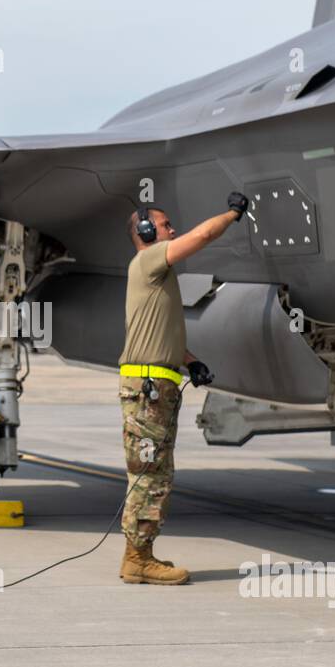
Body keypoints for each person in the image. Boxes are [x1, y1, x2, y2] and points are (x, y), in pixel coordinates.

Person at [117, 194, 247, 585]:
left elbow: (161, 335)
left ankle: (139, 555)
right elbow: (204, 234)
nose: (171, 229)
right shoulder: (150, 260)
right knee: (149, 475)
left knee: (157, 473)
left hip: (159, 386)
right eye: (164, 224)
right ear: (144, 231)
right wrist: (233, 213)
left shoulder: (157, 277)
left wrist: (190, 361)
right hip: (148, 390)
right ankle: (137, 559)